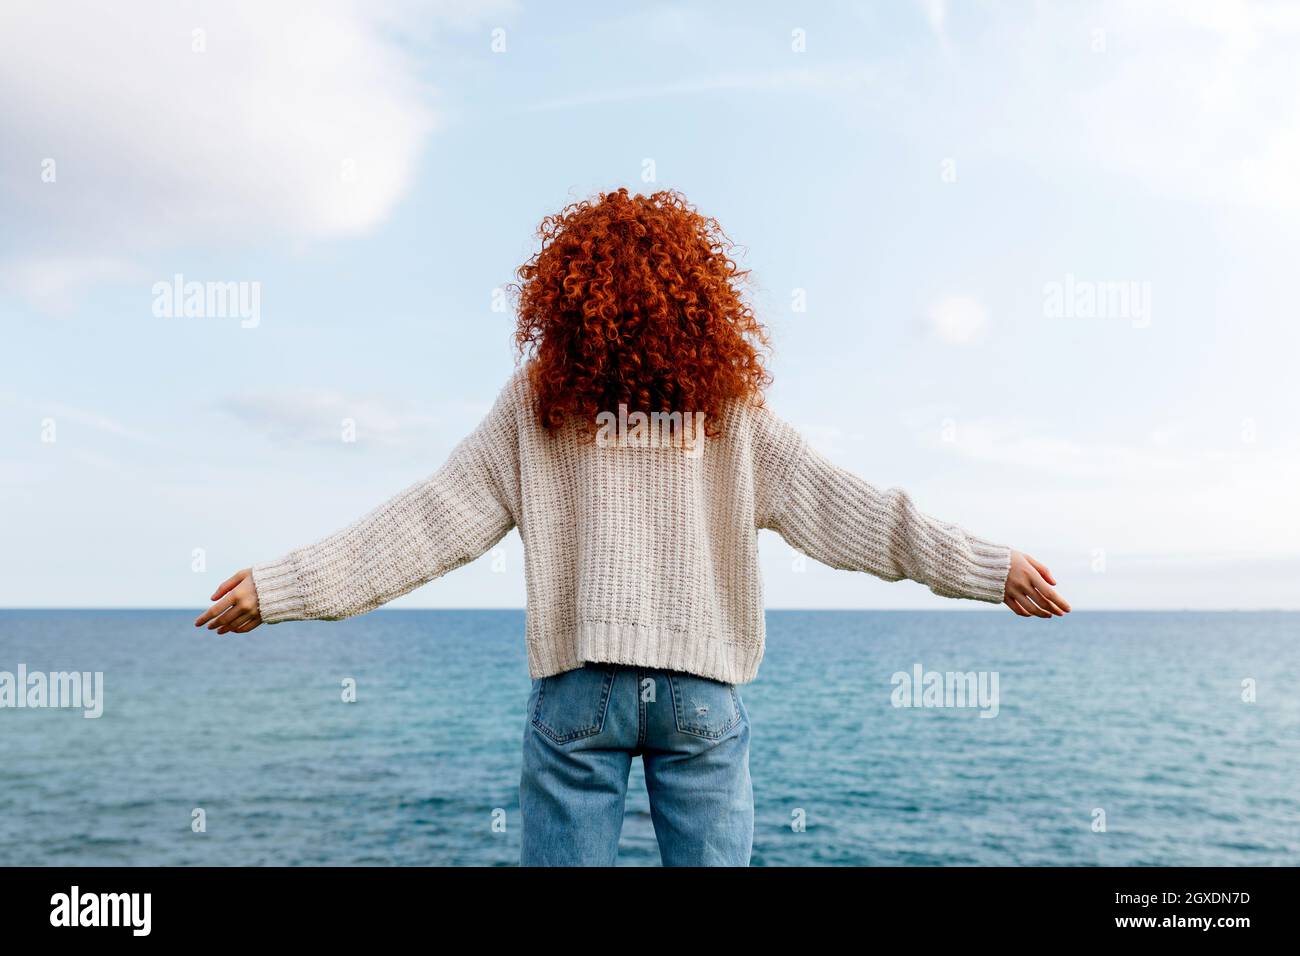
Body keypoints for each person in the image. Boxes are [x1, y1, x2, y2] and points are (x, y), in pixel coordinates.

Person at [195, 187, 1070, 866]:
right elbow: (862, 517)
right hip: (701, 695)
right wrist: (990, 570)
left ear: (564, 296)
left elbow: (423, 524)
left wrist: (279, 588)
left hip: (581, 694)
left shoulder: (540, 405)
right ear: (699, 291)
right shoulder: (730, 408)